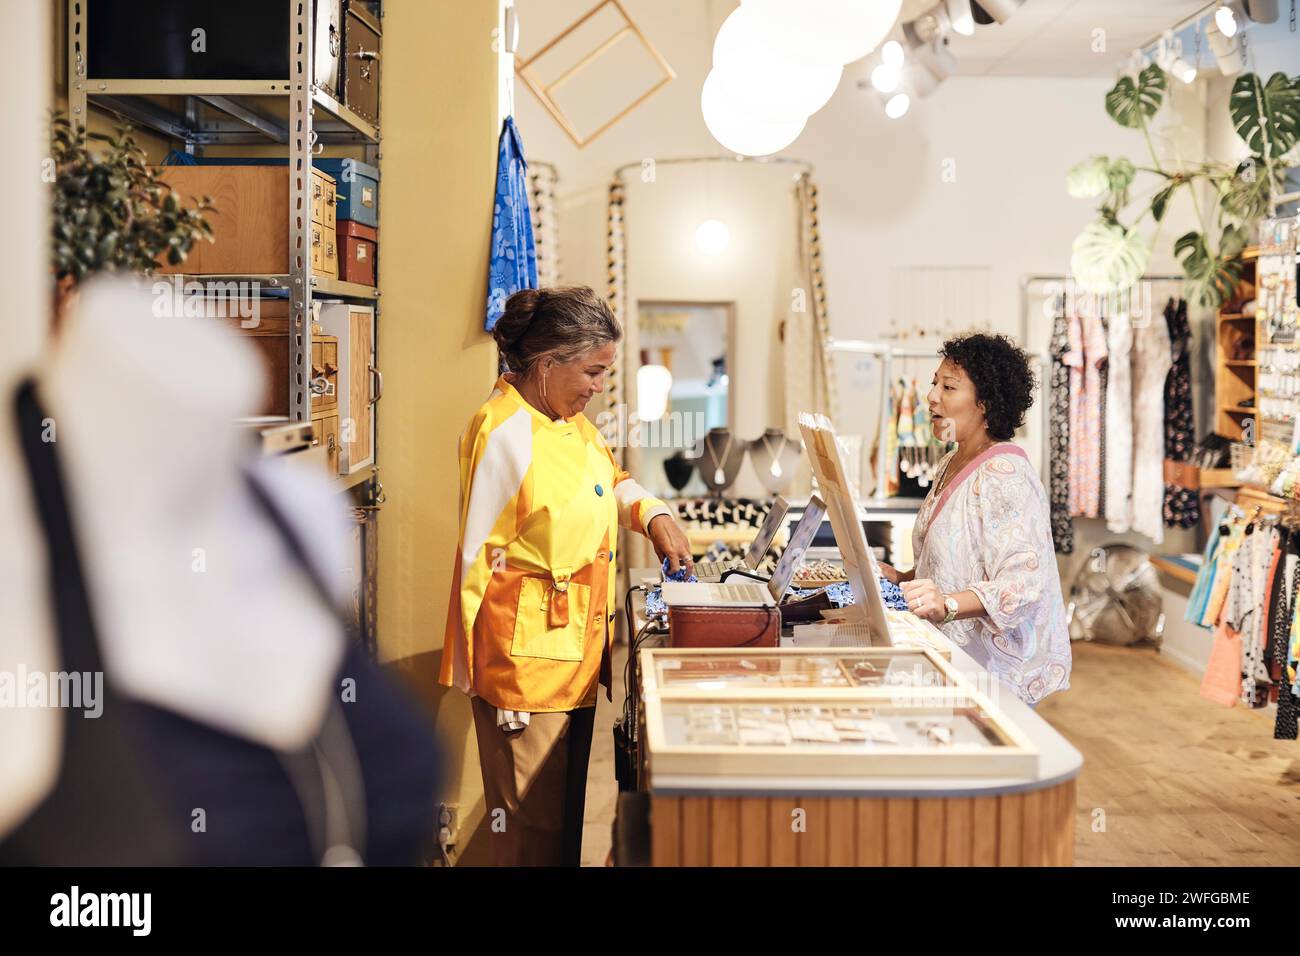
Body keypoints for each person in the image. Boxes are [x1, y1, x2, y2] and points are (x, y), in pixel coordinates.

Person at [440, 285, 693, 866]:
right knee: (529, 836)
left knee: (557, 831)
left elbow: (611, 477)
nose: (599, 387)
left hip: (570, 657)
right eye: (593, 371)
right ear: (548, 363)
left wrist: (652, 514)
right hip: (523, 674)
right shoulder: (504, 431)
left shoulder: (566, 422)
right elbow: (478, 557)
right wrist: (491, 681)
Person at [881, 332, 1071, 706]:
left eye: (948, 387)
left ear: (984, 402)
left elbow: (1024, 582)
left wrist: (947, 605)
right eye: (935, 383)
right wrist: (902, 578)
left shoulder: (1004, 474)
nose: (932, 396)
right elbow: (956, 562)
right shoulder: (950, 463)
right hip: (952, 663)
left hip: (992, 678)